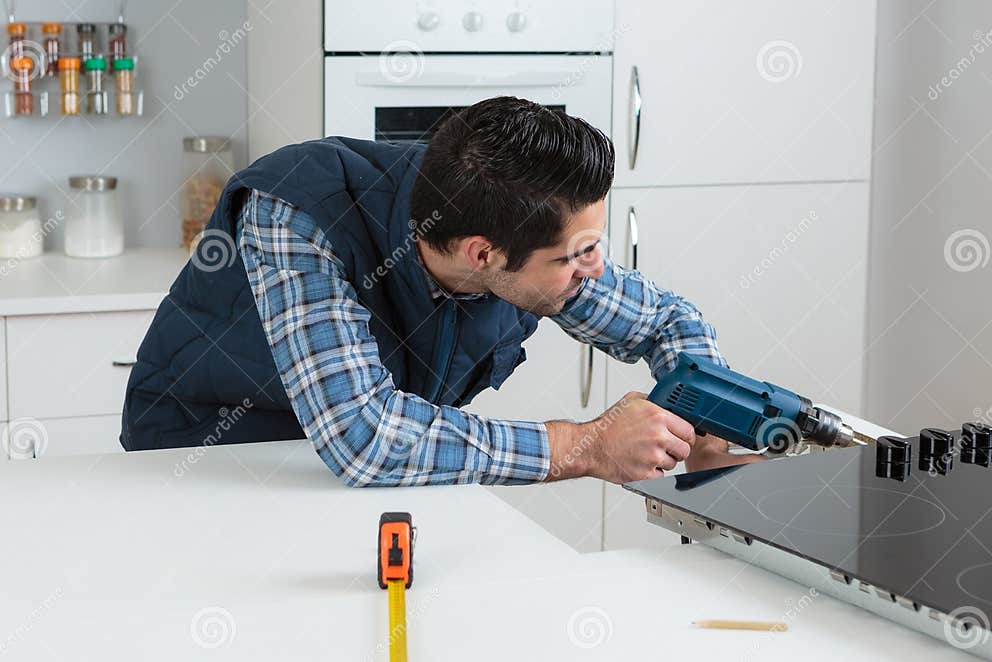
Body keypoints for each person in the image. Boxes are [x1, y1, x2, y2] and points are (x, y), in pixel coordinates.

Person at [121, 96, 761, 486]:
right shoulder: (297, 211)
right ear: (483, 254)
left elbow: (667, 322)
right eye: (577, 254)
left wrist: (707, 422)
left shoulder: (514, 217)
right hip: (211, 472)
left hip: (369, 476)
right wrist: (586, 445)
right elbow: (365, 436)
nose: (595, 269)